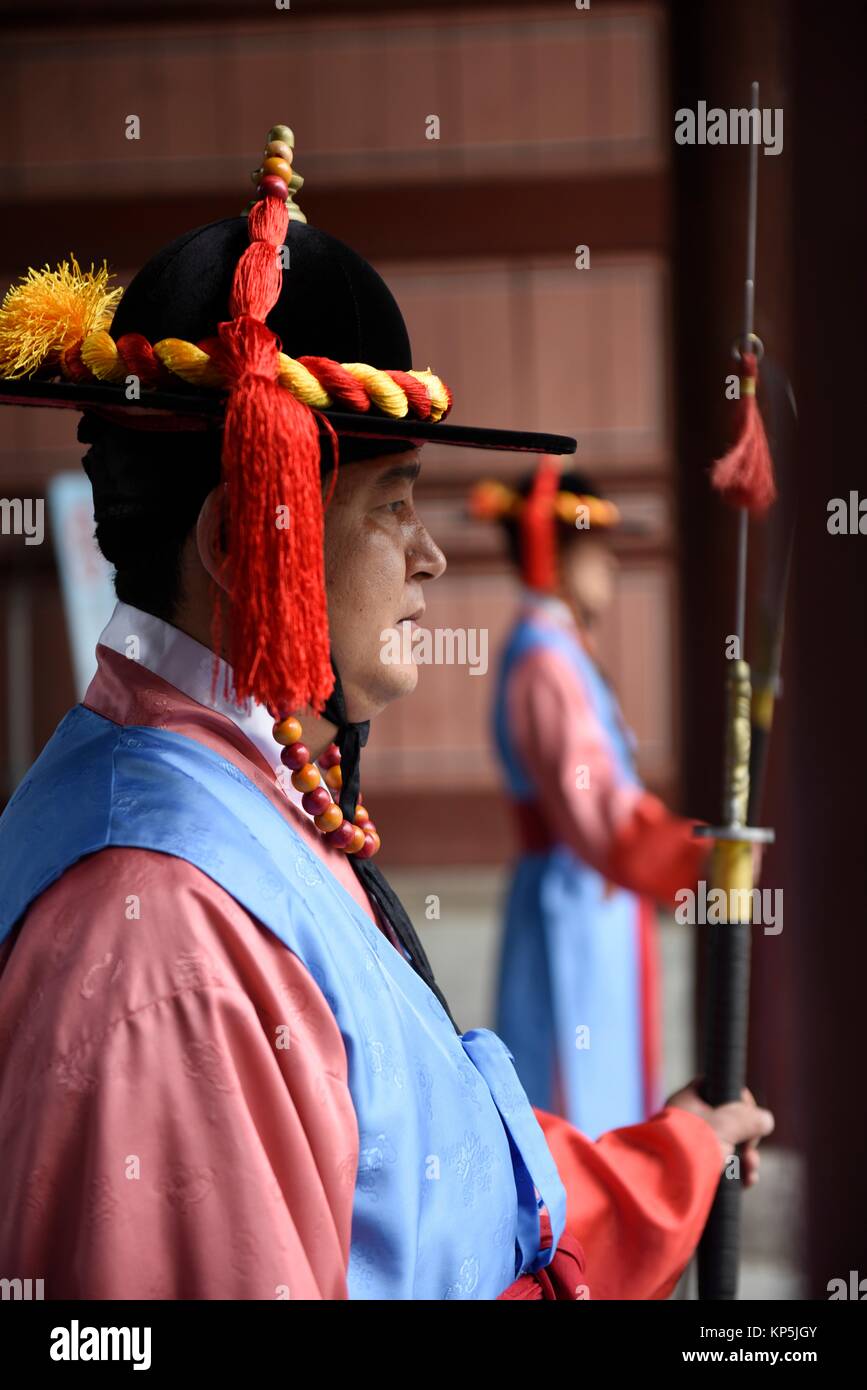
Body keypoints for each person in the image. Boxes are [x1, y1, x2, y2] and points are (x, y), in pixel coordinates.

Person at [0, 125, 773, 1300]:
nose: (429, 560)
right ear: (240, 537)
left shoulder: (244, 781)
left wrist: (674, 1157)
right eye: (394, 504)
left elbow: (411, 1190)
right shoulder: (155, 939)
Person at [471, 459, 712, 1140]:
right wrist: (696, 857)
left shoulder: (559, 648)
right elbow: (597, 808)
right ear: (557, 553)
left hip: (590, 893)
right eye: (595, 550)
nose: (609, 564)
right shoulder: (545, 659)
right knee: (576, 1097)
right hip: (572, 901)